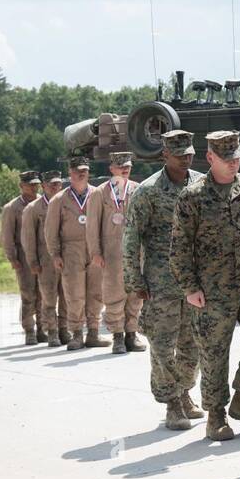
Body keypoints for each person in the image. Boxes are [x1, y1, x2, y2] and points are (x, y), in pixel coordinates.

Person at [170, 130, 240, 442]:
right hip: (212, 291)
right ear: (210, 158)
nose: (234, 164)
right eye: (227, 159)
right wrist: (190, 287)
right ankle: (216, 414)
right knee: (214, 353)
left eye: (237, 157)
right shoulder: (192, 197)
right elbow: (178, 248)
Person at [123, 130, 205, 430]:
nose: (187, 158)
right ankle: (171, 401)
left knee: (192, 343)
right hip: (160, 282)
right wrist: (134, 280)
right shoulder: (148, 191)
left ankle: (185, 391)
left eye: (190, 153)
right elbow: (131, 238)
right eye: (180, 154)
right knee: (161, 344)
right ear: (165, 156)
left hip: (194, 282)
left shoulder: (200, 184)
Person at [45, 157, 108, 350]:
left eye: (86, 170)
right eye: (78, 170)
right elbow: (50, 230)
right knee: (74, 293)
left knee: (96, 292)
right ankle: (77, 334)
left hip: (95, 248)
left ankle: (94, 333)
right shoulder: (59, 200)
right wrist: (55, 254)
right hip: (71, 250)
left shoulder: (98, 194)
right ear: (70, 172)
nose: (82, 173)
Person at [87, 152, 145, 354]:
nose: (125, 169)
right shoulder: (99, 193)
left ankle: (132, 334)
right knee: (114, 294)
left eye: (127, 165)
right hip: (111, 253)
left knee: (135, 294)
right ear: (111, 168)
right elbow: (92, 226)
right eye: (120, 166)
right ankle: (118, 336)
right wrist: (95, 252)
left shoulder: (138, 189)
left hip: (135, 252)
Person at [22, 171, 70, 346]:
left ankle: (64, 330)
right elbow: (28, 238)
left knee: (66, 297)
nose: (55, 187)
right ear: (43, 186)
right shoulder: (34, 208)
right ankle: (52, 332)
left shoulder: (67, 204)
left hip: (67, 259)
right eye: (51, 184)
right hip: (45, 261)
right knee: (49, 298)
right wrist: (33, 262)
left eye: (58, 184)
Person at [0, 171, 42, 346]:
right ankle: (29, 329)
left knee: (44, 293)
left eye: (36, 184)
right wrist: (12, 258)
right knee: (28, 293)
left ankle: (42, 328)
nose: (34, 187)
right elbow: (7, 236)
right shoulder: (12, 208)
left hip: (42, 254)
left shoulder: (43, 202)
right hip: (23, 255)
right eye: (30, 184)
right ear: (21, 186)